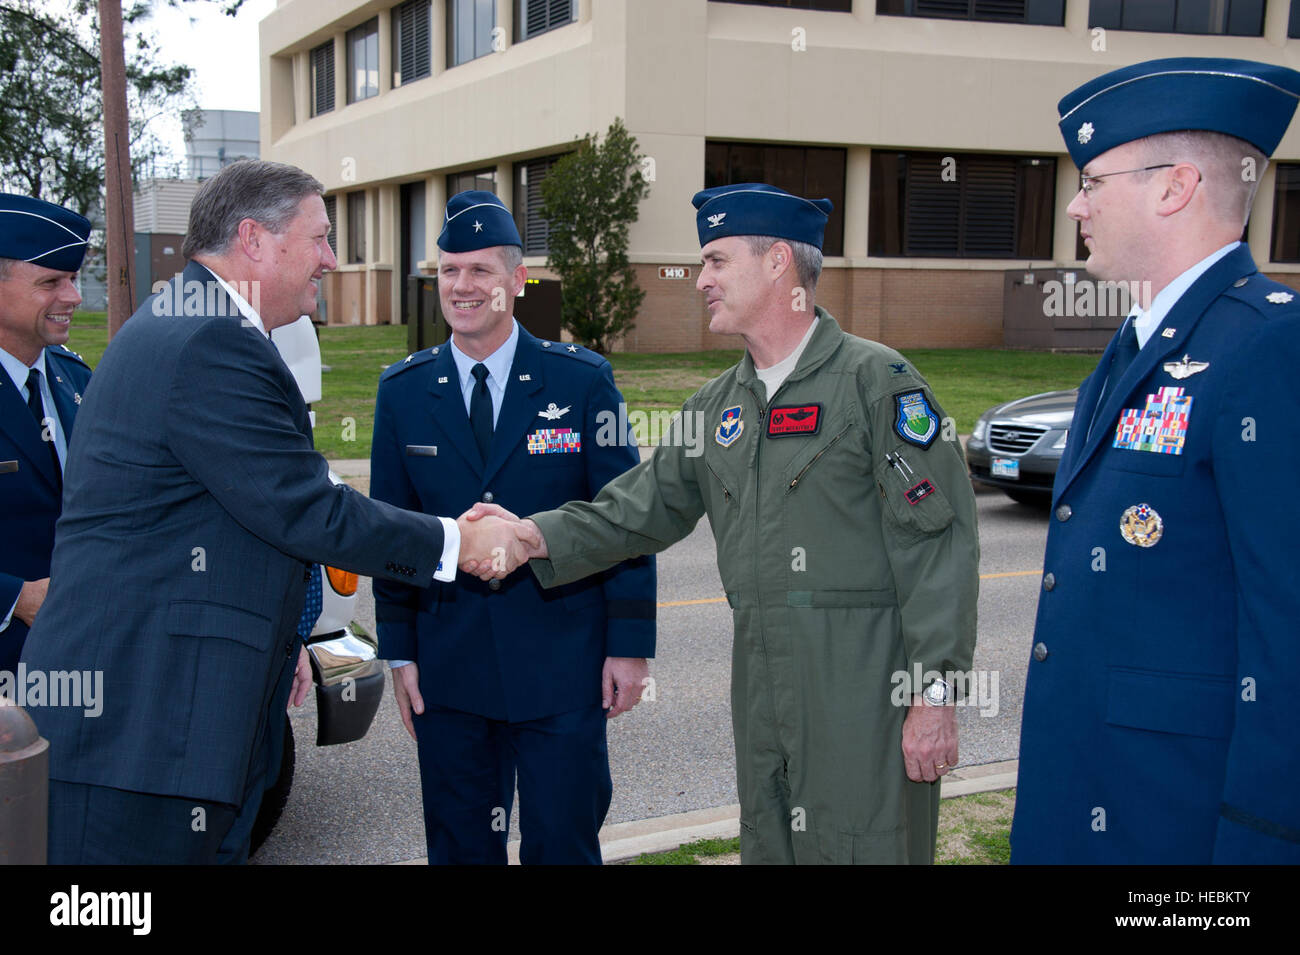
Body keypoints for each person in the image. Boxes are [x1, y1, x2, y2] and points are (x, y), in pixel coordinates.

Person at [467, 183, 980, 864]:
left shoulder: (875, 382)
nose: (700, 280)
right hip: (761, 691)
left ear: (777, 265)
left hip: (863, 694)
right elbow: (635, 510)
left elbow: (938, 551)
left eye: (715, 260)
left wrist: (934, 697)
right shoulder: (718, 407)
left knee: (867, 848)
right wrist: (529, 535)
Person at [21, 160, 513, 864]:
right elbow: (305, 508)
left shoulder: (203, 326)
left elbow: (236, 518)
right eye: (318, 237)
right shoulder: (208, 341)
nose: (331, 259)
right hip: (141, 732)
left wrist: (280, 641)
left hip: (178, 724)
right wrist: (455, 543)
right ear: (255, 238)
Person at [1010, 58, 1300, 864]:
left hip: (1178, 820)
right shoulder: (1140, 341)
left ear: (1174, 187)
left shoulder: (1271, 344)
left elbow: (1288, 632)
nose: (1074, 204)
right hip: (1088, 795)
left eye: (1092, 180)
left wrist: (1263, 845)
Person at [369, 190, 655, 865]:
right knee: (461, 848)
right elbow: (392, 536)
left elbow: (626, 518)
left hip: (562, 666)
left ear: (516, 281)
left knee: (562, 844)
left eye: (479, 271)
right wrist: (399, 652)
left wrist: (630, 644)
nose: (462, 287)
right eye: (449, 271)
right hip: (450, 668)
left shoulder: (580, 381)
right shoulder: (403, 391)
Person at [0, 194, 92, 676]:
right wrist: (15, 596)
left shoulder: (75, 377)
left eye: (73, 279)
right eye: (50, 282)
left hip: (83, 652)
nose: (73, 297)